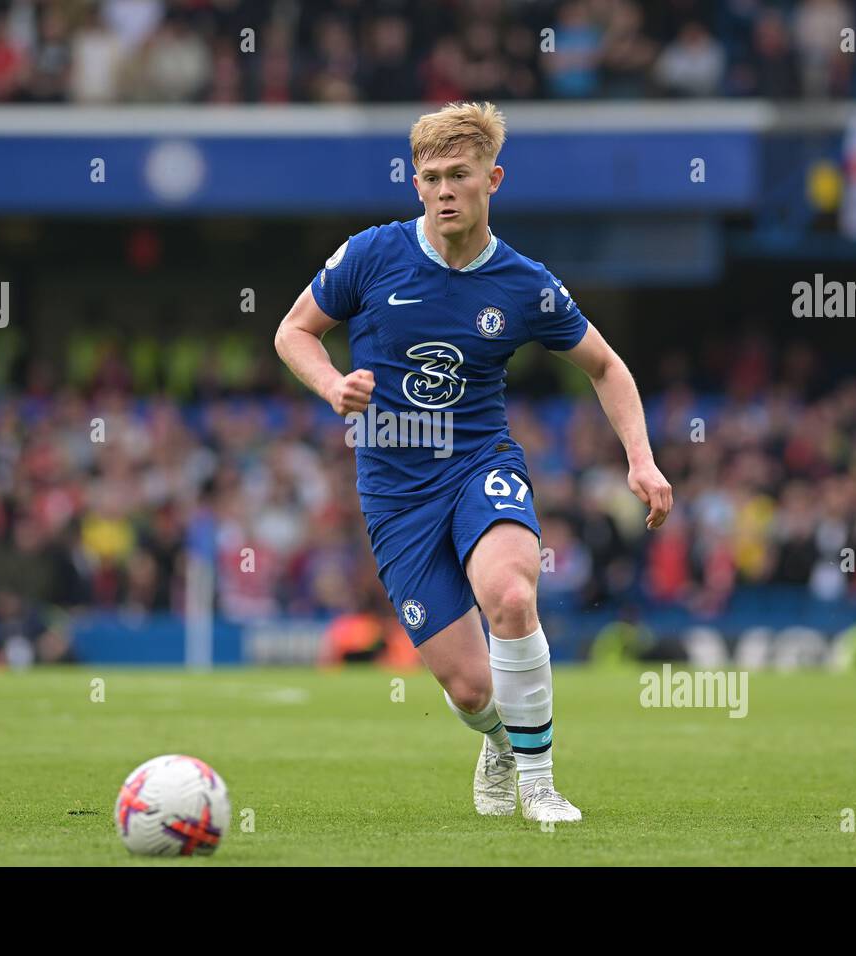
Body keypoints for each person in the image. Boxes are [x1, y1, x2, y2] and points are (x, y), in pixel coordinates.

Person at [274, 101, 672, 822]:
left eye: (459, 174)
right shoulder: (370, 256)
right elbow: (294, 331)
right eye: (430, 177)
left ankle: (540, 784)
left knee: (514, 595)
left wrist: (641, 461)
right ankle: (497, 739)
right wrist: (333, 383)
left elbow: (607, 367)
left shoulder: (526, 285)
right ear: (416, 184)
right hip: (394, 491)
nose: (444, 189)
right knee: (468, 689)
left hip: (478, 463)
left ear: (494, 178)